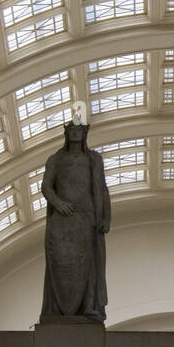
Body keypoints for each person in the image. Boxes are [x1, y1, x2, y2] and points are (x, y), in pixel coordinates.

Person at [40, 121, 111, 322]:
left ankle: (89, 306)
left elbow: (101, 188)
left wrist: (105, 216)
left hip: (87, 218)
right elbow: (46, 186)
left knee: (89, 264)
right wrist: (59, 203)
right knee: (62, 262)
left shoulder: (93, 159)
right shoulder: (56, 159)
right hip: (63, 221)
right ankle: (58, 309)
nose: (75, 133)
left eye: (79, 129)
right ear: (66, 133)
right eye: (71, 129)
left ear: (85, 133)